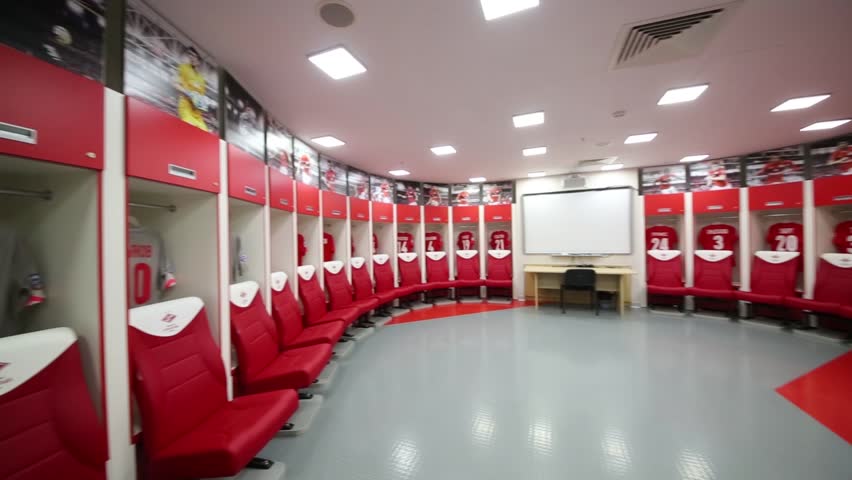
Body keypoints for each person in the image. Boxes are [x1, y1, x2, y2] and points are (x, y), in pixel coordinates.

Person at [176, 47, 210, 132]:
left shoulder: (202, 79)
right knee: (190, 128)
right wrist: (188, 93)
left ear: (199, 59)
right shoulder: (183, 68)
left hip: (197, 113)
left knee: (205, 133)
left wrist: (204, 104)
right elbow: (175, 84)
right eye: (189, 55)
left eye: (193, 56)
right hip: (185, 106)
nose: (192, 58)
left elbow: (201, 98)